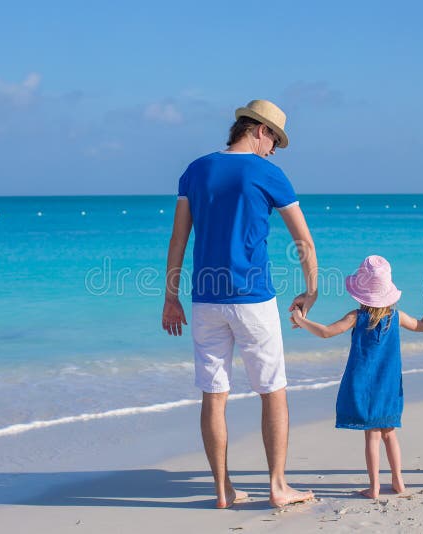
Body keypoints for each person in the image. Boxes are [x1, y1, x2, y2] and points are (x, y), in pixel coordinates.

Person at [162, 99, 318, 508]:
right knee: (273, 392)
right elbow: (302, 238)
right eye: (274, 141)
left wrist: (170, 296)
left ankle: (222, 489)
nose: (273, 150)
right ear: (260, 131)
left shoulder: (195, 171)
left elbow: (178, 240)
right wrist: (312, 288)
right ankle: (278, 486)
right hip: (253, 300)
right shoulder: (269, 173)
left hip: (205, 301)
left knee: (214, 395)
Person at [291, 255, 423, 498]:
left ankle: (373, 487)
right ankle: (398, 481)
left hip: (364, 385)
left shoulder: (357, 317)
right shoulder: (397, 317)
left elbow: (327, 332)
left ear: (361, 292)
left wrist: (301, 320)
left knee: (371, 434)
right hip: (390, 384)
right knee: (389, 432)